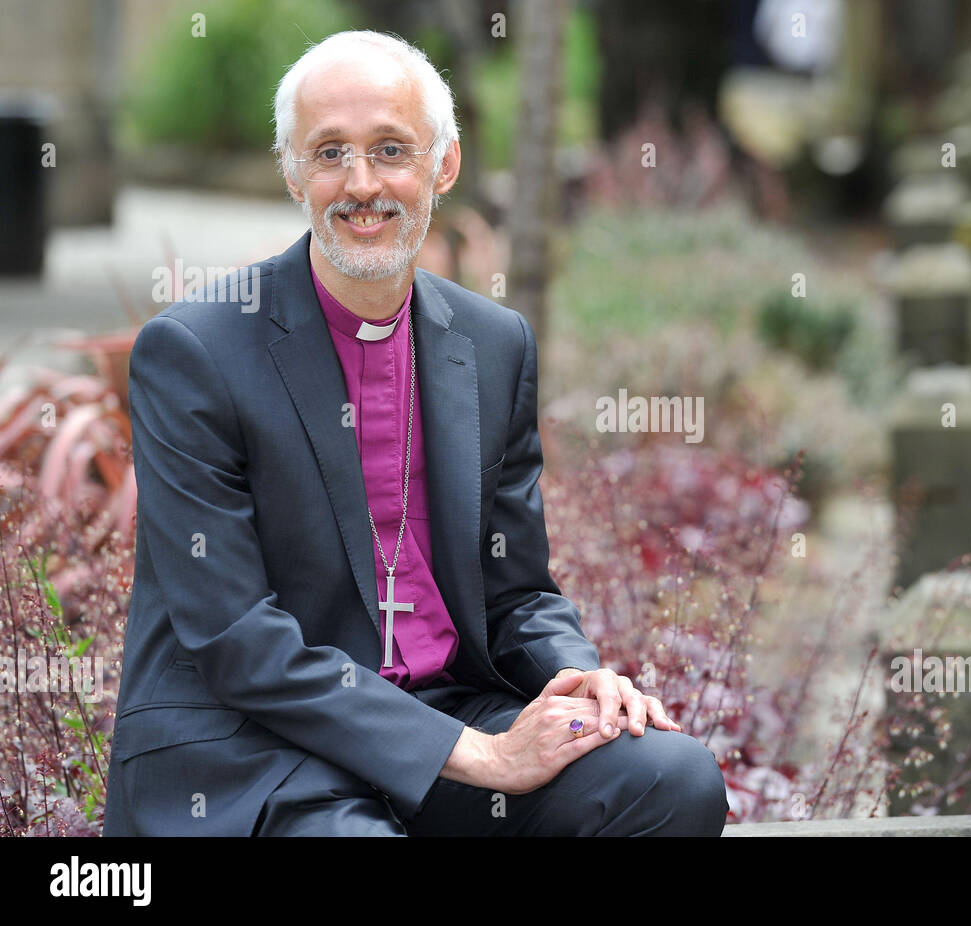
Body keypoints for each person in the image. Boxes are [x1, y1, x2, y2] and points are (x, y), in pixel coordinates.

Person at [104, 30, 729, 836]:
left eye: (391, 149)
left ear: (445, 165)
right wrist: (480, 756)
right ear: (294, 173)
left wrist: (581, 680)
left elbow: (518, 593)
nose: (361, 184)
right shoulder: (194, 352)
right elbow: (236, 639)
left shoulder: (494, 342)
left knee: (671, 780)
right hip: (255, 747)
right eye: (330, 153)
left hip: (446, 714)